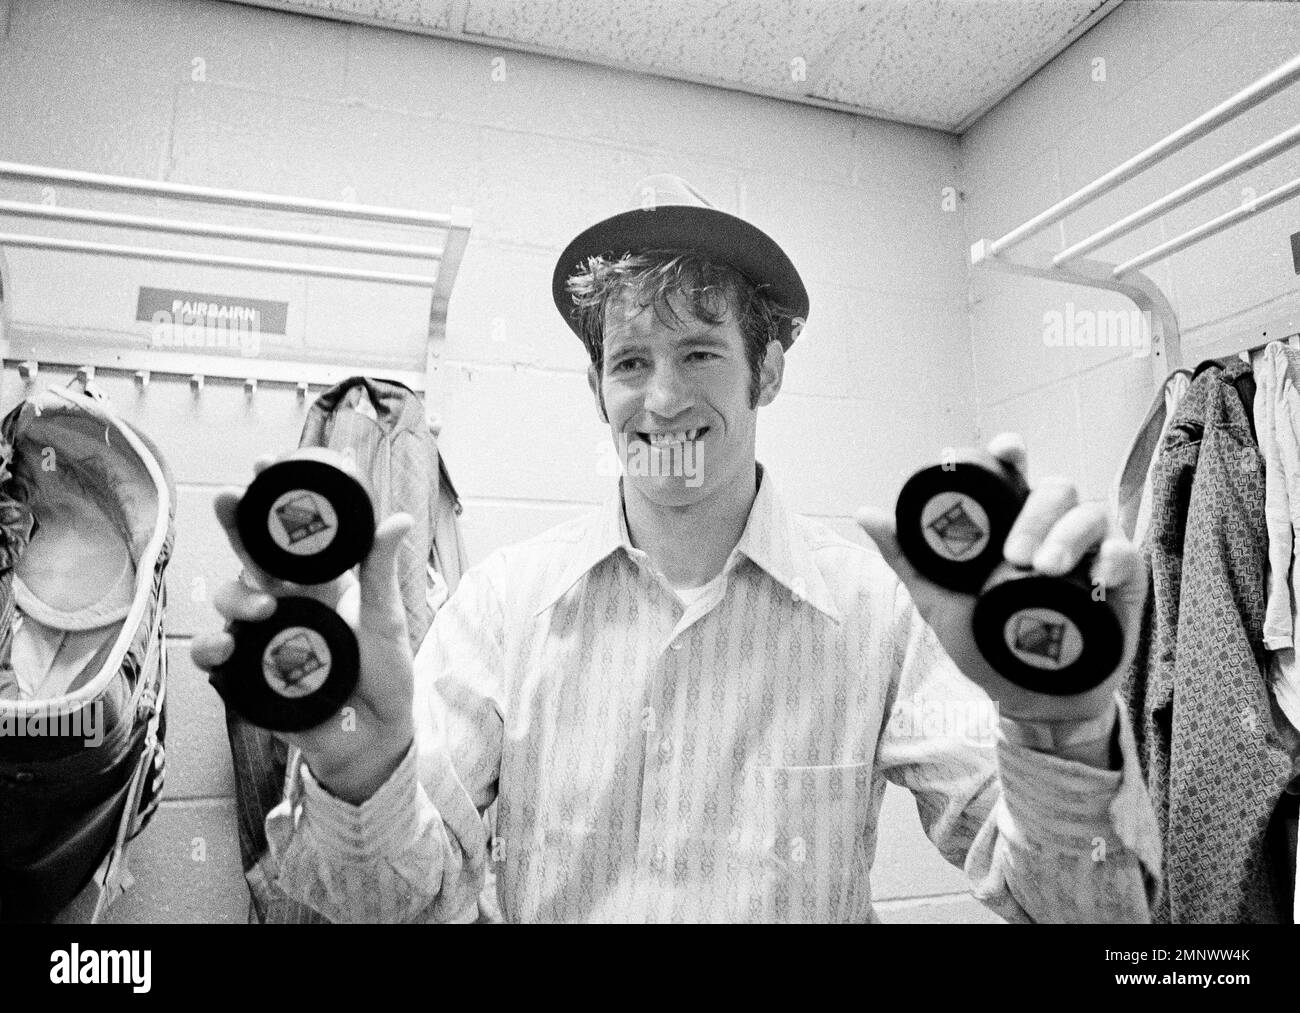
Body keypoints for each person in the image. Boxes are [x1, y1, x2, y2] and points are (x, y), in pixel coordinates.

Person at [192, 175, 1160, 923]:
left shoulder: (879, 608)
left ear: (766, 370)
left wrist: (1058, 735)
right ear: (597, 387)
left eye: (698, 352)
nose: (659, 399)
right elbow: (383, 906)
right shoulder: (503, 604)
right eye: (629, 362)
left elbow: (1081, 909)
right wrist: (362, 772)